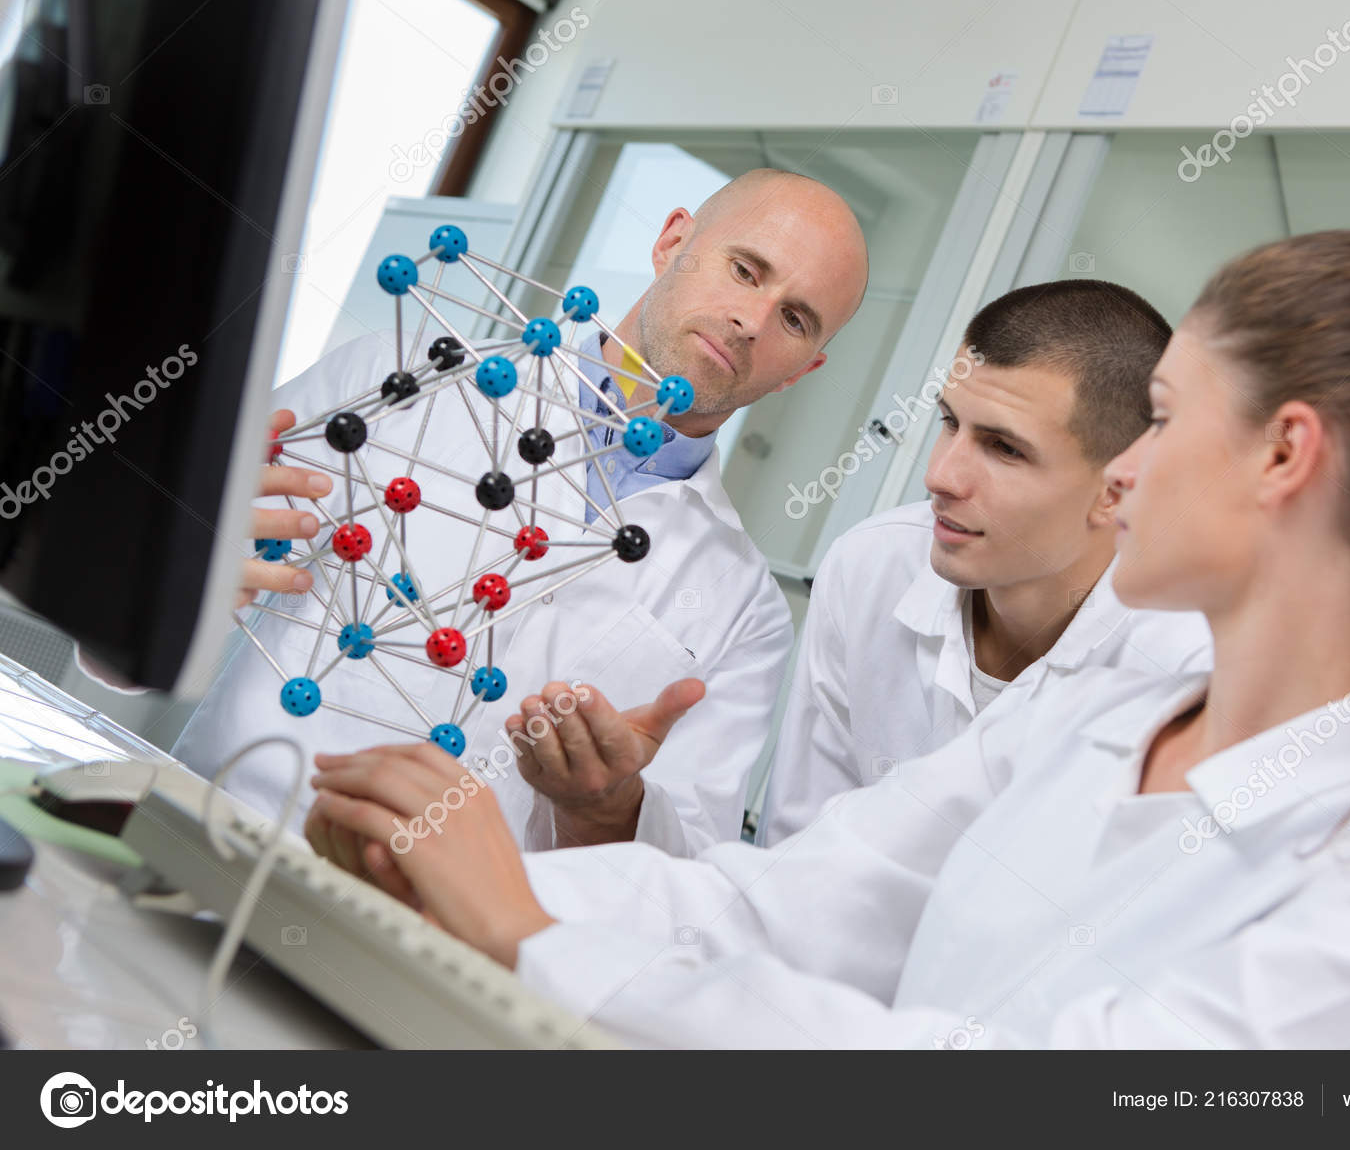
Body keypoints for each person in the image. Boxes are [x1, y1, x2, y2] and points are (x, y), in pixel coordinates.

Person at [303, 229, 1350, 1047]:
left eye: (1156, 417)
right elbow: (785, 899)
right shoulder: (1111, 708)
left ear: (1283, 453)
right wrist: (432, 874)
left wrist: (529, 930)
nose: (1126, 473)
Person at [179, 169, 870, 856]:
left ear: (802, 369)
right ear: (672, 240)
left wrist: (604, 808)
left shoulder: (746, 609)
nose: (751, 321)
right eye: (746, 270)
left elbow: (677, 873)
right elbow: (156, 594)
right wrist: (180, 563)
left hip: (426, 949)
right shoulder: (396, 381)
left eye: (795, 318)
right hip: (210, 839)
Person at [760, 280, 1210, 845]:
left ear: (1116, 489)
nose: (940, 477)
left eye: (1004, 449)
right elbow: (797, 850)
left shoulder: (1186, 661)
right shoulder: (869, 567)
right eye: (949, 422)